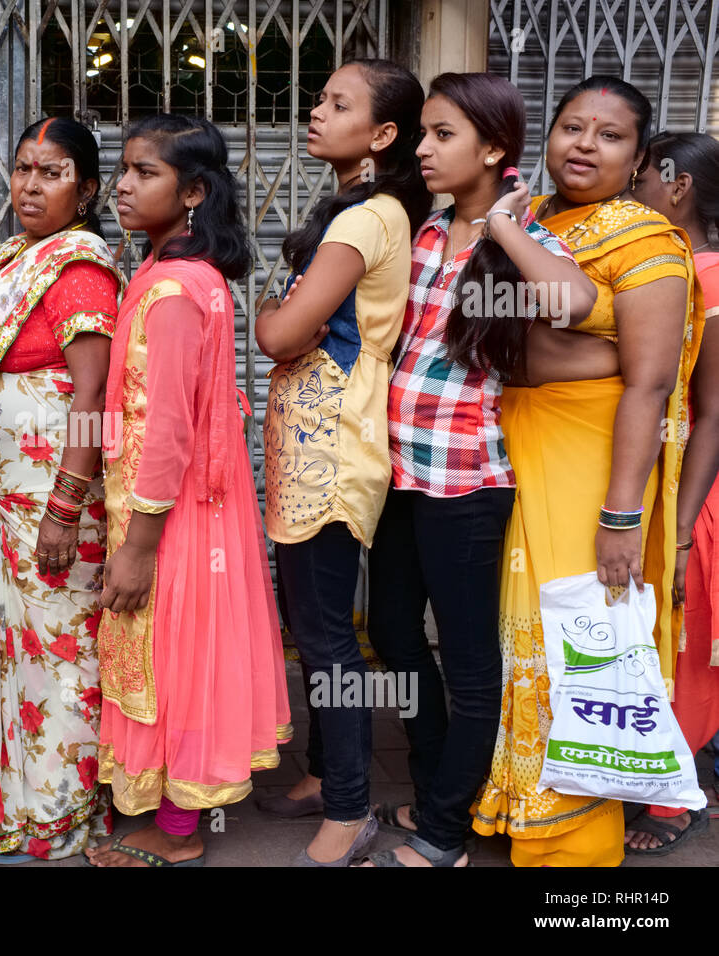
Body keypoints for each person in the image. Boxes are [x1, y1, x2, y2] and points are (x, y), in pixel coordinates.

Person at [470, 77, 706, 867]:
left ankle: (572, 842)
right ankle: (522, 806)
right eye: (573, 126)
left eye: (609, 136)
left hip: (591, 461)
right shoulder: (535, 218)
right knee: (518, 634)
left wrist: (621, 519)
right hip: (520, 443)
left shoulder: (642, 239)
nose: (584, 145)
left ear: (640, 158)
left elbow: (648, 382)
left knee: (574, 639)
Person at [360, 73, 594, 867]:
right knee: (392, 631)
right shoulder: (424, 235)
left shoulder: (523, 241)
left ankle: (446, 831)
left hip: (467, 483)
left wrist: (504, 226)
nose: (422, 149)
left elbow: (573, 302)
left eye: (442, 134)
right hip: (399, 476)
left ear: (495, 148)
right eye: (422, 133)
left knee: (468, 666)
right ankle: (436, 791)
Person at [82, 115, 292, 868]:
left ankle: (175, 834)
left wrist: (137, 547)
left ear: (195, 193)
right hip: (179, 505)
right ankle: (173, 820)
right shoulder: (179, 276)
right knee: (180, 657)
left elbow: (166, 425)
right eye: (125, 170)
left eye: (147, 173)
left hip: (164, 514)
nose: (125, 185)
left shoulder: (172, 289)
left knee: (170, 659)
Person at [254, 58, 430, 866]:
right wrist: (286, 314)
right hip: (314, 447)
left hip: (331, 451)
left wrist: (271, 313)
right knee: (311, 622)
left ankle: (351, 808)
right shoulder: (364, 212)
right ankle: (326, 775)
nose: (316, 112)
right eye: (320, 97)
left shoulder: (367, 220)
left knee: (327, 637)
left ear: (383, 134)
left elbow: (283, 335)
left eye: (337, 103)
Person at [0, 116, 122, 862]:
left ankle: (60, 821)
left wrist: (63, 510)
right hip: (8, 506)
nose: (29, 184)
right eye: (23, 168)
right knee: (16, 656)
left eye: (51, 172)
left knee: (58, 661)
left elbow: (91, 401)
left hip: (54, 510)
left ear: (85, 189)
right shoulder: (18, 259)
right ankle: (21, 812)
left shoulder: (77, 269)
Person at [616, 131, 719, 853]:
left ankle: (672, 805)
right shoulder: (677, 267)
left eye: (643, 175)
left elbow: (713, 409)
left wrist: (682, 531)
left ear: (677, 186)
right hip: (663, 486)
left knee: (680, 647)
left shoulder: (705, 275)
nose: (631, 188)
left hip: (695, 495)